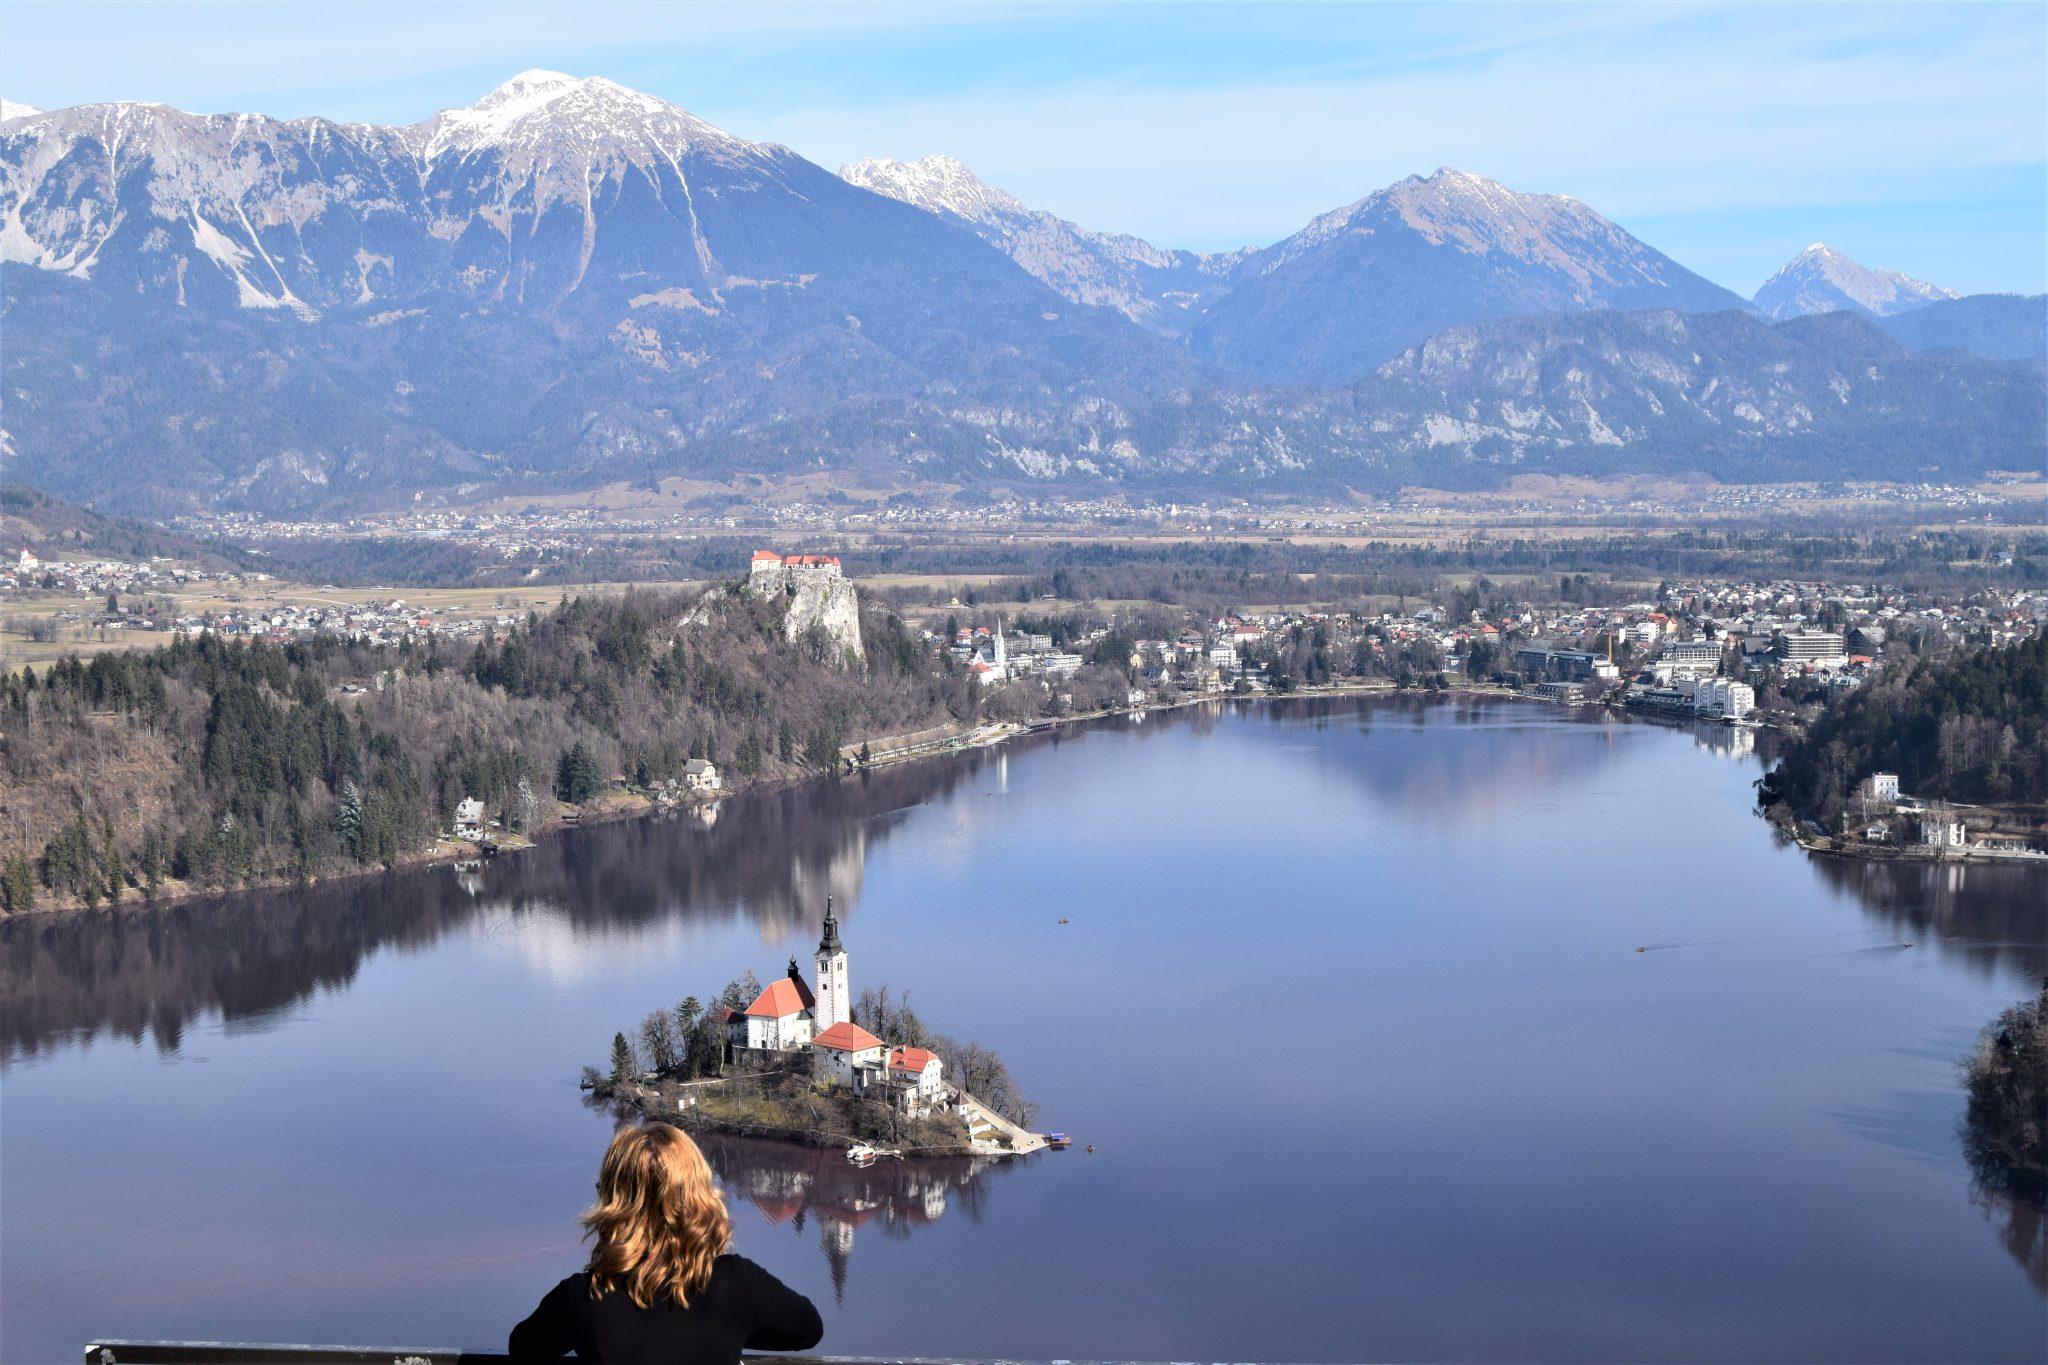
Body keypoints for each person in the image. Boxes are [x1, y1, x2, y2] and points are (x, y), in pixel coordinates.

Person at [510, 1123, 823, 1362]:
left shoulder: (584, 1295)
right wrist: (730, 1331)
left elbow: (522, 1348)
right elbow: (809, 1329)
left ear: (613, 1200)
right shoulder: (736, 1283)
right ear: (699, 1197)